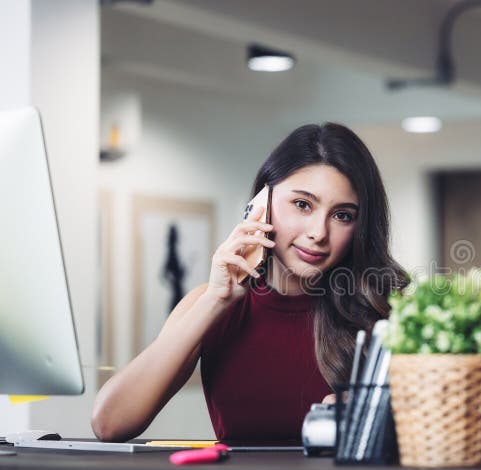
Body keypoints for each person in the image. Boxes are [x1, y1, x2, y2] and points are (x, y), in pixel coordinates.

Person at [91, 123, 408, 443]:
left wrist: (380, 419)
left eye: (342, 215)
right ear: (262, 203)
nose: (319, 233)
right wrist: (217, 300)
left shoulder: (388, 312)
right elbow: (109, 424)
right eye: (302, 205)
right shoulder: (210, 303)